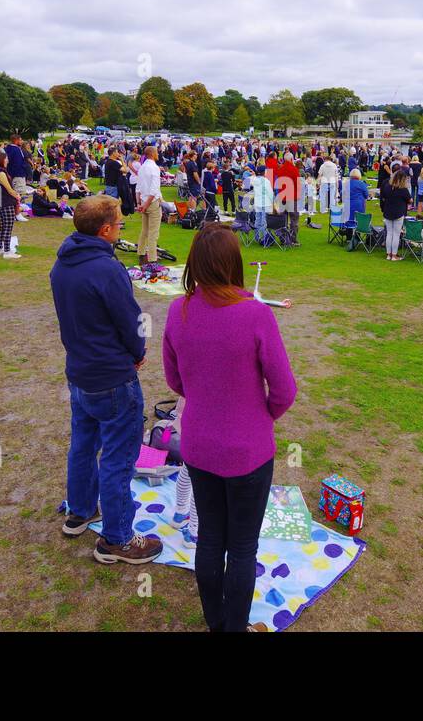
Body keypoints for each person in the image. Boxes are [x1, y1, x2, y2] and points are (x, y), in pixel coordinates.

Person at [162, 224, 296, 631]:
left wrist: (214, 403)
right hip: (245, 452)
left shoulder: (179, 310)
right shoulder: (254, 313)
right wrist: (257, 418)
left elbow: (175, 380)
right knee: (240, 547)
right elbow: (285, 390)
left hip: (201, 446)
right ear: (234, 263)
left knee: (211, 540)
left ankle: (218, 622)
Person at [50, 194, 162, 565]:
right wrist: (138, 352)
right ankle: (117, 538)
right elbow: (129, 320)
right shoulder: (106, 269)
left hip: (81, 371)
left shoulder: (63, 264)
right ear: (106, 230)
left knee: (83, 444)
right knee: (118, 456)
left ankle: (81, 510)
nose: (121, 229)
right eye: (119, 224)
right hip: (111, 376)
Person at [0, 149, 23, 259]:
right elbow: (8, 189)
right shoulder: (1, 173)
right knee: (8, 226)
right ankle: (7, 251)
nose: (7, 160)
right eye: (6, 158)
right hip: (5, 202)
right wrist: (17, 195)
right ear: (1, 160)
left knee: (3, 226)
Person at [134, 146, 162, 266]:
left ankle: (141, 254)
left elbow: (138, 188)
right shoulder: (154, 168)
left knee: (145, 230)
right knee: (153, 232)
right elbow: (154, 189)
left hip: (143, 200)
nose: (158, 154)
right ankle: (152, 259)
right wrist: (144, 205)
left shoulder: (142, 167)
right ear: (152, 154)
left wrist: (139, 204)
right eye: (156, 152)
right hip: (151, 202)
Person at [379, 168, 412, 261]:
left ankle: (389, 254)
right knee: (396, 234)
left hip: (388, 211)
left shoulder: (387, 187)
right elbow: (410, 200)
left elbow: (383, 197)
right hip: (398, 212)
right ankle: (394, 255)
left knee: (389, 233)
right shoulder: (403, 189)